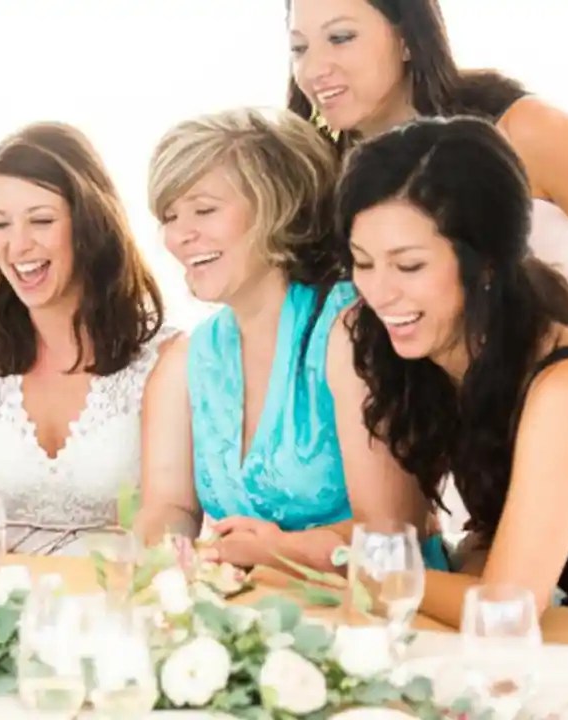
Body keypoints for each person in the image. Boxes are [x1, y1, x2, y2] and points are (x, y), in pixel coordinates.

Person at [339, 116, 568, 618]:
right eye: (363, 262)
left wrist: (352, 578)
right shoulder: (455, 360)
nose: (379, 291)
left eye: (409, 265)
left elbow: (509, 605)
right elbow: (492, 535)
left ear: (485, 261)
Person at [286, 0, 568, 390]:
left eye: (341, 38)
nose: (313, 70)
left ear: (408, 39)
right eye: (299, 48)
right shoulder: (323, 184)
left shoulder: (525, 131)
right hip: (472, 431)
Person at [137, 108, 440, 571]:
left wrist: (279, 551)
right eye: (170, 216)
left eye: (204, 210)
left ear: (278, 206)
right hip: (252, 620)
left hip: (383, 618)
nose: (180, 236)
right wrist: (159, 561)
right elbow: (169, 508)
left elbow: (393, 534)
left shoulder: (351, 329)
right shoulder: (185, 358)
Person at [0, 122, 173, 555]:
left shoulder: (164, 355)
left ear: (89, 222)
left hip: (108, 597)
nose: (17, 245)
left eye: (42, 221)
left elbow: (169, 514)